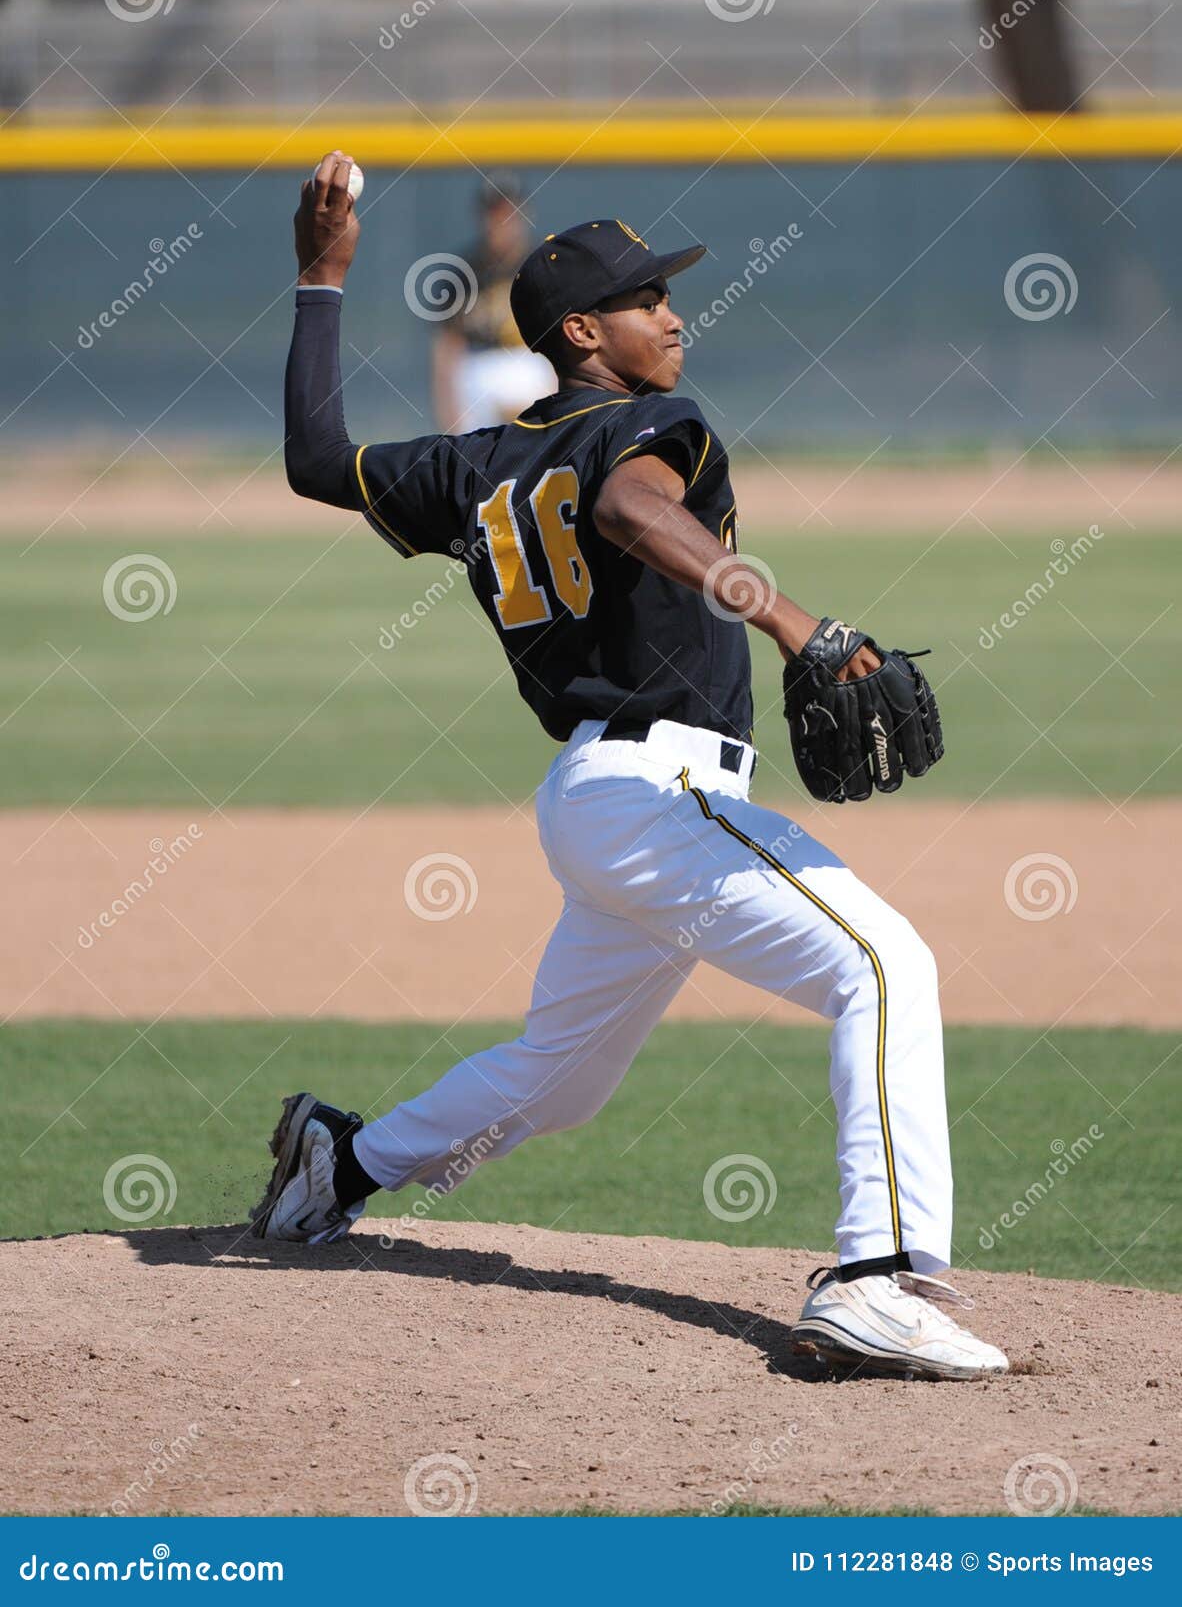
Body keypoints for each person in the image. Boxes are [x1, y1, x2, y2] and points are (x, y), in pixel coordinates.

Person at [253, 150, 1008, 1382]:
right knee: (884, 963)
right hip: (662, 795)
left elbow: (314, 459)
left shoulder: (475, 463)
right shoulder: (656, 423)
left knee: (558, 1078)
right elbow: (630, 511)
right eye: (648, 299)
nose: (673, 314)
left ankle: (345, 1159)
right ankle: (880, 1275)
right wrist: (797, 622)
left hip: (598, 802)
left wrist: (319, 280)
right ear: (582, 333)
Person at [431, 170, 555, 431]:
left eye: (509, 213)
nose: (501, 222)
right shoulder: (465, 272)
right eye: (495, 214)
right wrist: (449, 417)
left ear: (523, 215)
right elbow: (448, 350)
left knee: (528, 377)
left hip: (531, 362)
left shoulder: (544, 265)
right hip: (479, 369)